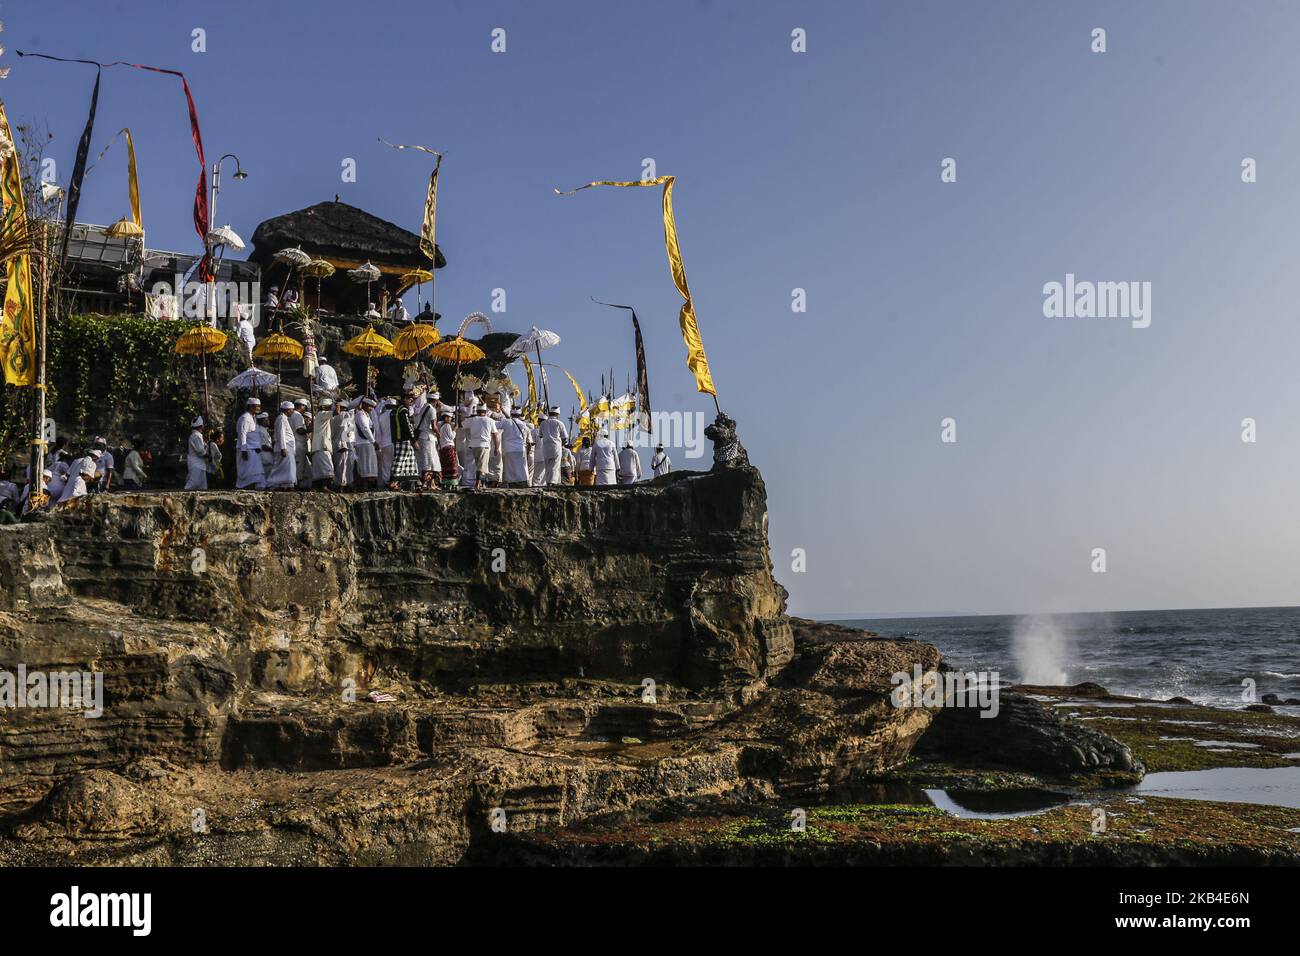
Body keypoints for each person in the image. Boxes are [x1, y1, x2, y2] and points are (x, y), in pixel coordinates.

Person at [388, 391, 420, 489]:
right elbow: (407, 426)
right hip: (404, 439)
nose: (411, 401)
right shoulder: (403, 411)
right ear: (404, 399)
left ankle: (410, 482)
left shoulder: (396, 410)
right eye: (409, 399)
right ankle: (393, 481)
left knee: (410, 460)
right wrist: (414, 440)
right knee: (400, 459)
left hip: (400, 439)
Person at [462, 404, 497, 489]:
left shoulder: (472, 420)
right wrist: (496, 447)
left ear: (477, 411)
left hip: (474, 445)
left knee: (480, 465)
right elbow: (495, 435)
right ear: (485, 412)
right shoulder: (490, 420)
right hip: (484, 445)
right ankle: (478, 484)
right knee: (482, 467)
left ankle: (482, 483)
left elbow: (462, 423)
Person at [235, 398, 266, 489]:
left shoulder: (253, 418)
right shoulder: (245, 418)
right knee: (247, 471)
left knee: (257, 471)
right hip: (246, 449)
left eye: (259, 406)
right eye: (257, 406)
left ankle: (257, 487)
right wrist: (244, 450)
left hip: (253, 449)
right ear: (251, 407)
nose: (259, 408)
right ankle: (242, 487)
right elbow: (242, 434)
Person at [499, 408, 533, 488]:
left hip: (509, 449)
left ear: (511, 414)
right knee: (521, 467)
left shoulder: (506, 422)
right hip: (520, 449)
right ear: (519, 415)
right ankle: (522, 483)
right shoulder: (524, 424)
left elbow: (495, 424)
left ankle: (512, 483)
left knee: (510, 467)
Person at [267, 401, 297, 489]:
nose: (292, 412)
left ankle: (285, 484)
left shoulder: (284, 418)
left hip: (287, 446)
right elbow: (281, 433)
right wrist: (283, 448)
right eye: (292, 410)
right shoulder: (281, 418)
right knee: (281, 468)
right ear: (287, 410)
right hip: (284, 446)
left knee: (286, 468)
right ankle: (272, 483)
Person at [413, 392, 440, 488]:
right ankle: (428, 483)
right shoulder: (432, 409)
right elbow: (434, 426)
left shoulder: (424, 407)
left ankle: (428, 483)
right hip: (428, 438)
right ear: (436, 401)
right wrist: (439, 434)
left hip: (422, 437)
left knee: (424, 460)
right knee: (430, 461)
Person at [536, 407, 569, 486]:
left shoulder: (543, 423)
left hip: (546, 447)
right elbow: (565, 437)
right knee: (555, 466)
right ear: (557, 414)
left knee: (547, 466)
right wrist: (562, 444)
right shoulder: (559, 423)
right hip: (556, 446)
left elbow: (540, 435)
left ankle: (549, 482)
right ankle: (553, 483)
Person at [352, 397, 379, 490]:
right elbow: (365, 428)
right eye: (370, 406)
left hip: (368, 443)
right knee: (365, 465)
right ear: (364, 405)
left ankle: (368, 485)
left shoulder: (367, 415)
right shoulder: (360, 414)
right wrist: (373, 441)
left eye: (372, 407)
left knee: (370, 466)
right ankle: (363, 486)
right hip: (363, 443)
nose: (371, 408)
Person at [311, 398, 335, 489]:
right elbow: (336, 412)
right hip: (322, 445)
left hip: (319, 446)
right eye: (329, 407)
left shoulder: (320, 415)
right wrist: (337, 403)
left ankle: (321, 488)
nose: (330, 408)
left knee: (320, 469)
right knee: (327, 469)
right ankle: (324, 487)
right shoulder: (322, 414)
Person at [332, 399, 355, 489]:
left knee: (344, 466)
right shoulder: (342, 416)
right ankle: (341, 485)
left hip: (339, 444)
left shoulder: (336, 416)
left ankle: (344, 484)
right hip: (341, 444)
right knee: (342, 467)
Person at [184, 417, 210, 490]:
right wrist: (208, 456)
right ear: (201, 426)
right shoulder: (196, 435)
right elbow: (200, 451)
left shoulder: (196, 435)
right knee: (192, 485)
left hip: (200, 465)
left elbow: (202, 447)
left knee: (203, 487)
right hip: (196, 465)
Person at [374, 396, 395, 486]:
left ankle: (386, 483)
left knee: (386, 464)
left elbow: (378, 431)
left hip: (385, 443)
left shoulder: (381, 417)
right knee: (396, 463)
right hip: (395, 443)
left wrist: (378, 443)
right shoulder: (395, 415)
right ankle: (394, 482)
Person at [291, 398, 311, 490]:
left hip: (296, 443)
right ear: (301, 406)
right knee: (299, 465)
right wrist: (309, 429)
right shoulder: (297, 415)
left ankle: (299, 483)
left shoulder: (292, 415)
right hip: (298, 443)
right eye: (304, 407)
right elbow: (299, 430)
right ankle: (297, 484)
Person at [437, 411, 458, 486]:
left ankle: (446, 481)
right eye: (449, 417)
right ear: (446, 418)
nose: (450, 419)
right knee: (451, 465)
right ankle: (451, 481)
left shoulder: (441, 426)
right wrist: (455, 430)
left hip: (443, 447)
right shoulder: (447, 425)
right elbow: (451, 437)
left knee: (446, 465)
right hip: (449, 447)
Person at [256, 412, 274, 477]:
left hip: (268, 457)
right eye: (266, 420)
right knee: (263, 479)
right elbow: (262, 445)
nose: (268, 421)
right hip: (263, 457)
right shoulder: (259, 430)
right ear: (262, 421)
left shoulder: (264, 430)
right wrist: (274, 449)